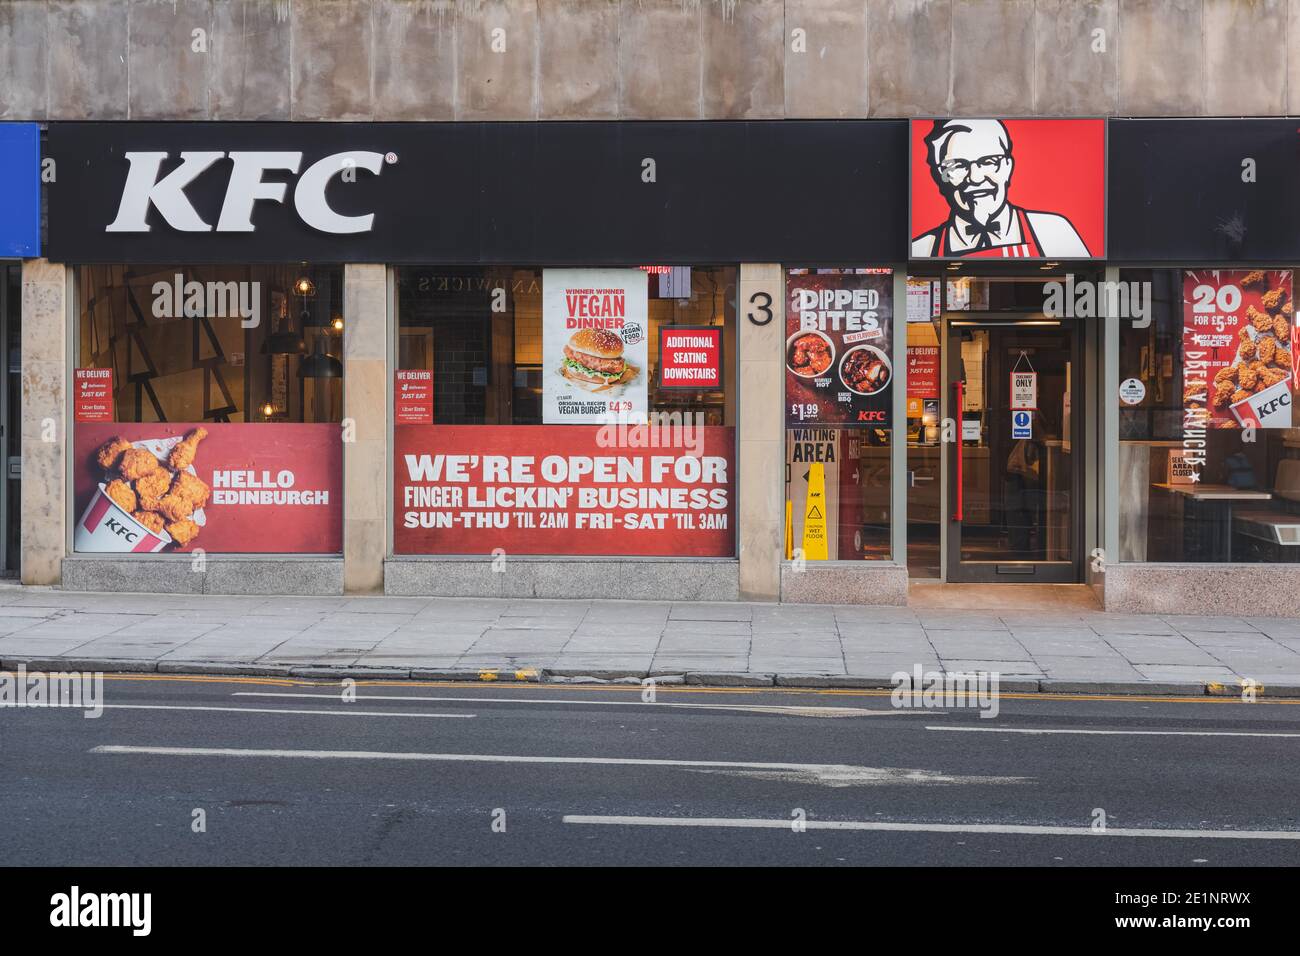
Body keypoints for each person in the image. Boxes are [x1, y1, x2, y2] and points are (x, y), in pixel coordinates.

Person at [912, 119, 1091, 259]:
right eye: (958, 165)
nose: (975, 177)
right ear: (940, 177)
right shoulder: (923, 248)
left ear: (1008, 167)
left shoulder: (1052, 232)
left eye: (988, 162)